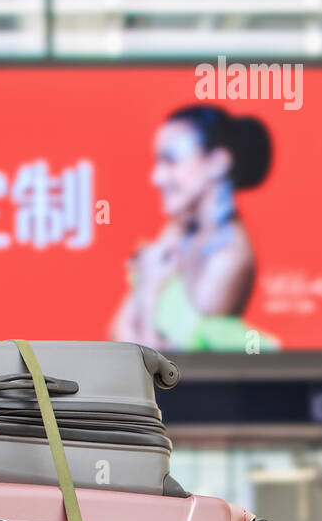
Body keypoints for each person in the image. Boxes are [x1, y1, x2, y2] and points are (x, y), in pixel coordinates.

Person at [111, 104, 275, 352]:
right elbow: (118, 330)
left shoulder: (230, 258)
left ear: (217, 163)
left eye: (170, 161)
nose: (156, 177)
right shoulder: (177, 230)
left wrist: (149, 290)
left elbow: (167, 366)